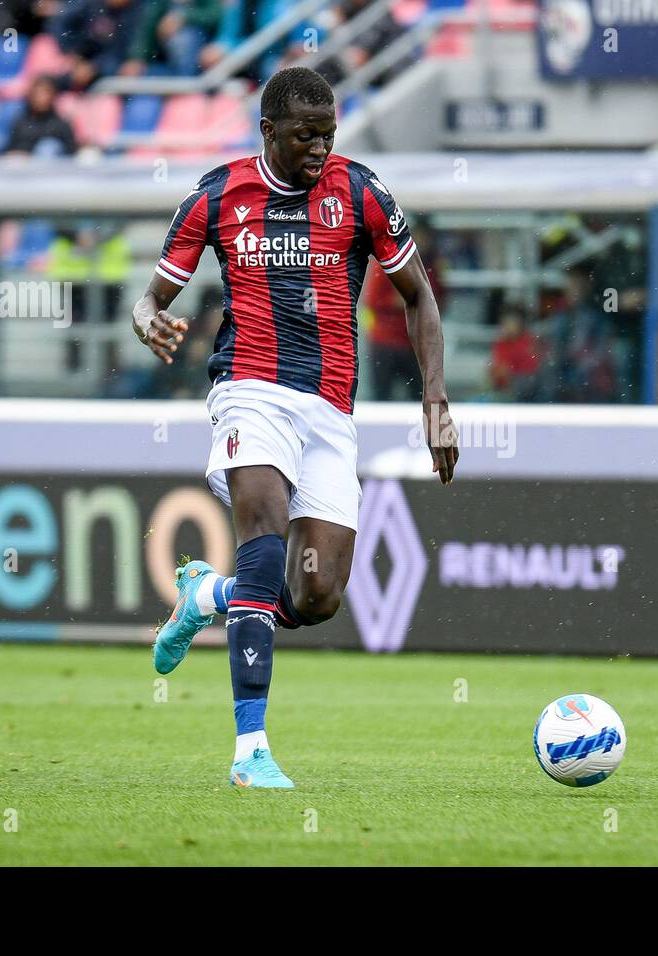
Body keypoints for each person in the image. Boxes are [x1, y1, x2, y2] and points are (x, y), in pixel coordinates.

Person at [132, 67, 457, 789]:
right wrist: (149, 319)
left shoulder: (362, 192)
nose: (319, 148)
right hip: (249, 390)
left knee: (316, 596)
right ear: (268, 132)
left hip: (331, 410)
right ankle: (251, 753)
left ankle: (205, 597)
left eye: (329, 135)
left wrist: (434, 400)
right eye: (305, 136)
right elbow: (151, 295)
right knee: (262, 542)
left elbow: (419, 297)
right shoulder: (217, 196)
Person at [364, 220, 446, 400]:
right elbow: (371, 299)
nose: (423, 242)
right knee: (382, 398)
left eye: (427, 238)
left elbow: (439, 299)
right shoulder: (389, 260)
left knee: (420, 397)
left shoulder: (430, 267)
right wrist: (402, 300)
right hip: (386, 343)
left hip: (415, 344)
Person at [540, 262, 619, 403]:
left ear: (587, 286)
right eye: (571, 285)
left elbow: (601, 353)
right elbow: (555, 352)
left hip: (589, 381)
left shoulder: (599, 317)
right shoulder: (561, 318)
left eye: (578, 285)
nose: (573, 289)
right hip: (565, 377)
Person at [51, 0, 144, 91]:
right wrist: (70, 52)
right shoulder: (90, 5)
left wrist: (94, 66)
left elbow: (118, 52)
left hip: (105, 66)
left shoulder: (134, 12)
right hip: (80, 56)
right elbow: (61, 24)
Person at [122, 0, 222, 77]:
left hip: (201, 64)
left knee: (185, 37)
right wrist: (137, 58)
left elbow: (216, 16)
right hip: (163, 63)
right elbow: (148, 29)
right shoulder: (160, 4)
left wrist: (183, 17)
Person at [3, 76, 77, 156]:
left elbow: (72, 154)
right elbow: (10, 149)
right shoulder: (20, 122)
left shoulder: (62, 125)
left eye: (45, 93)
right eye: (37, 93)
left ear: (53, 96)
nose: (40, 98)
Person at [489, 303, 543, 401]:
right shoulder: (501, 342)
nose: (507, 326)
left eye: (511, 322)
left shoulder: (529, 341)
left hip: (525, 389)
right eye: (505, 322)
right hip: (504, 389)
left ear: (520, 323)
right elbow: (497, 369)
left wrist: (507, 373)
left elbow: (531, 371)